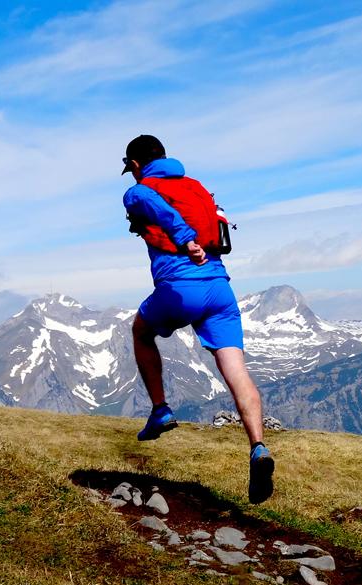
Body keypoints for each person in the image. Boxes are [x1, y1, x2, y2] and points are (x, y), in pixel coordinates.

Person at [121, 134, 274, 504]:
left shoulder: (139, 190)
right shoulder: (196, 187)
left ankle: (160, 411)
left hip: (181, 286)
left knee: (141, 332)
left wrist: (184, 239)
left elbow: (148, 202)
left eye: (131, 170)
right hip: (220, 288)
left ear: (136, 165)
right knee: (236, 369)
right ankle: (258, 446)